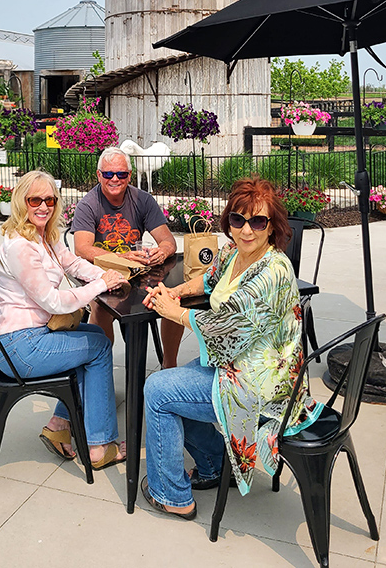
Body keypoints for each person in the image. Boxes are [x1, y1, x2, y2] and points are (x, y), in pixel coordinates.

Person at [139, 177, 324, 519]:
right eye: (238, 220)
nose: (247, 231)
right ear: (229, 222)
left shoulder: (273, 271)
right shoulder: (233, 253)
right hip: (236, 364)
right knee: (177, 381)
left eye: (258, 221)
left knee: (158, 389)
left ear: (273, 227)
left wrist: (172, 311)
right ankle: (211, 463)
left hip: (262, 386)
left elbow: (225, 330)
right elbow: (209, 279)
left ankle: (171, 495)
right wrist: (175, 292)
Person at [0, 169, 128, 470]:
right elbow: (52, 301)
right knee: (100, 347)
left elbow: (73, 263)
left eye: (50, 200)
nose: (43, 206)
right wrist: (101, 286)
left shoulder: (44, 236)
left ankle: (59, 425)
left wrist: (104, 275)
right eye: (35, 200)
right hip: (18, 346)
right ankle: (100, 445)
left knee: (93, 336)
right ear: (21, 202)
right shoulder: (21, 246)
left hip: (31, 336)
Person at [71, 146, 181, 367]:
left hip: (138, 275)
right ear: (99, 175)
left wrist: (162, 252)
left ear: (129, 176)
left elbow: (169, 241)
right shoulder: (88, 204)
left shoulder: (142, 199)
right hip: (101, 273)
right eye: (108, 174)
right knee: (102, 306)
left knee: (172, 296)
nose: (115, 179)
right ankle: (101, 367)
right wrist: (122, 257)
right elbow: (82, 249)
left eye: (121, 174)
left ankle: (169, 365)